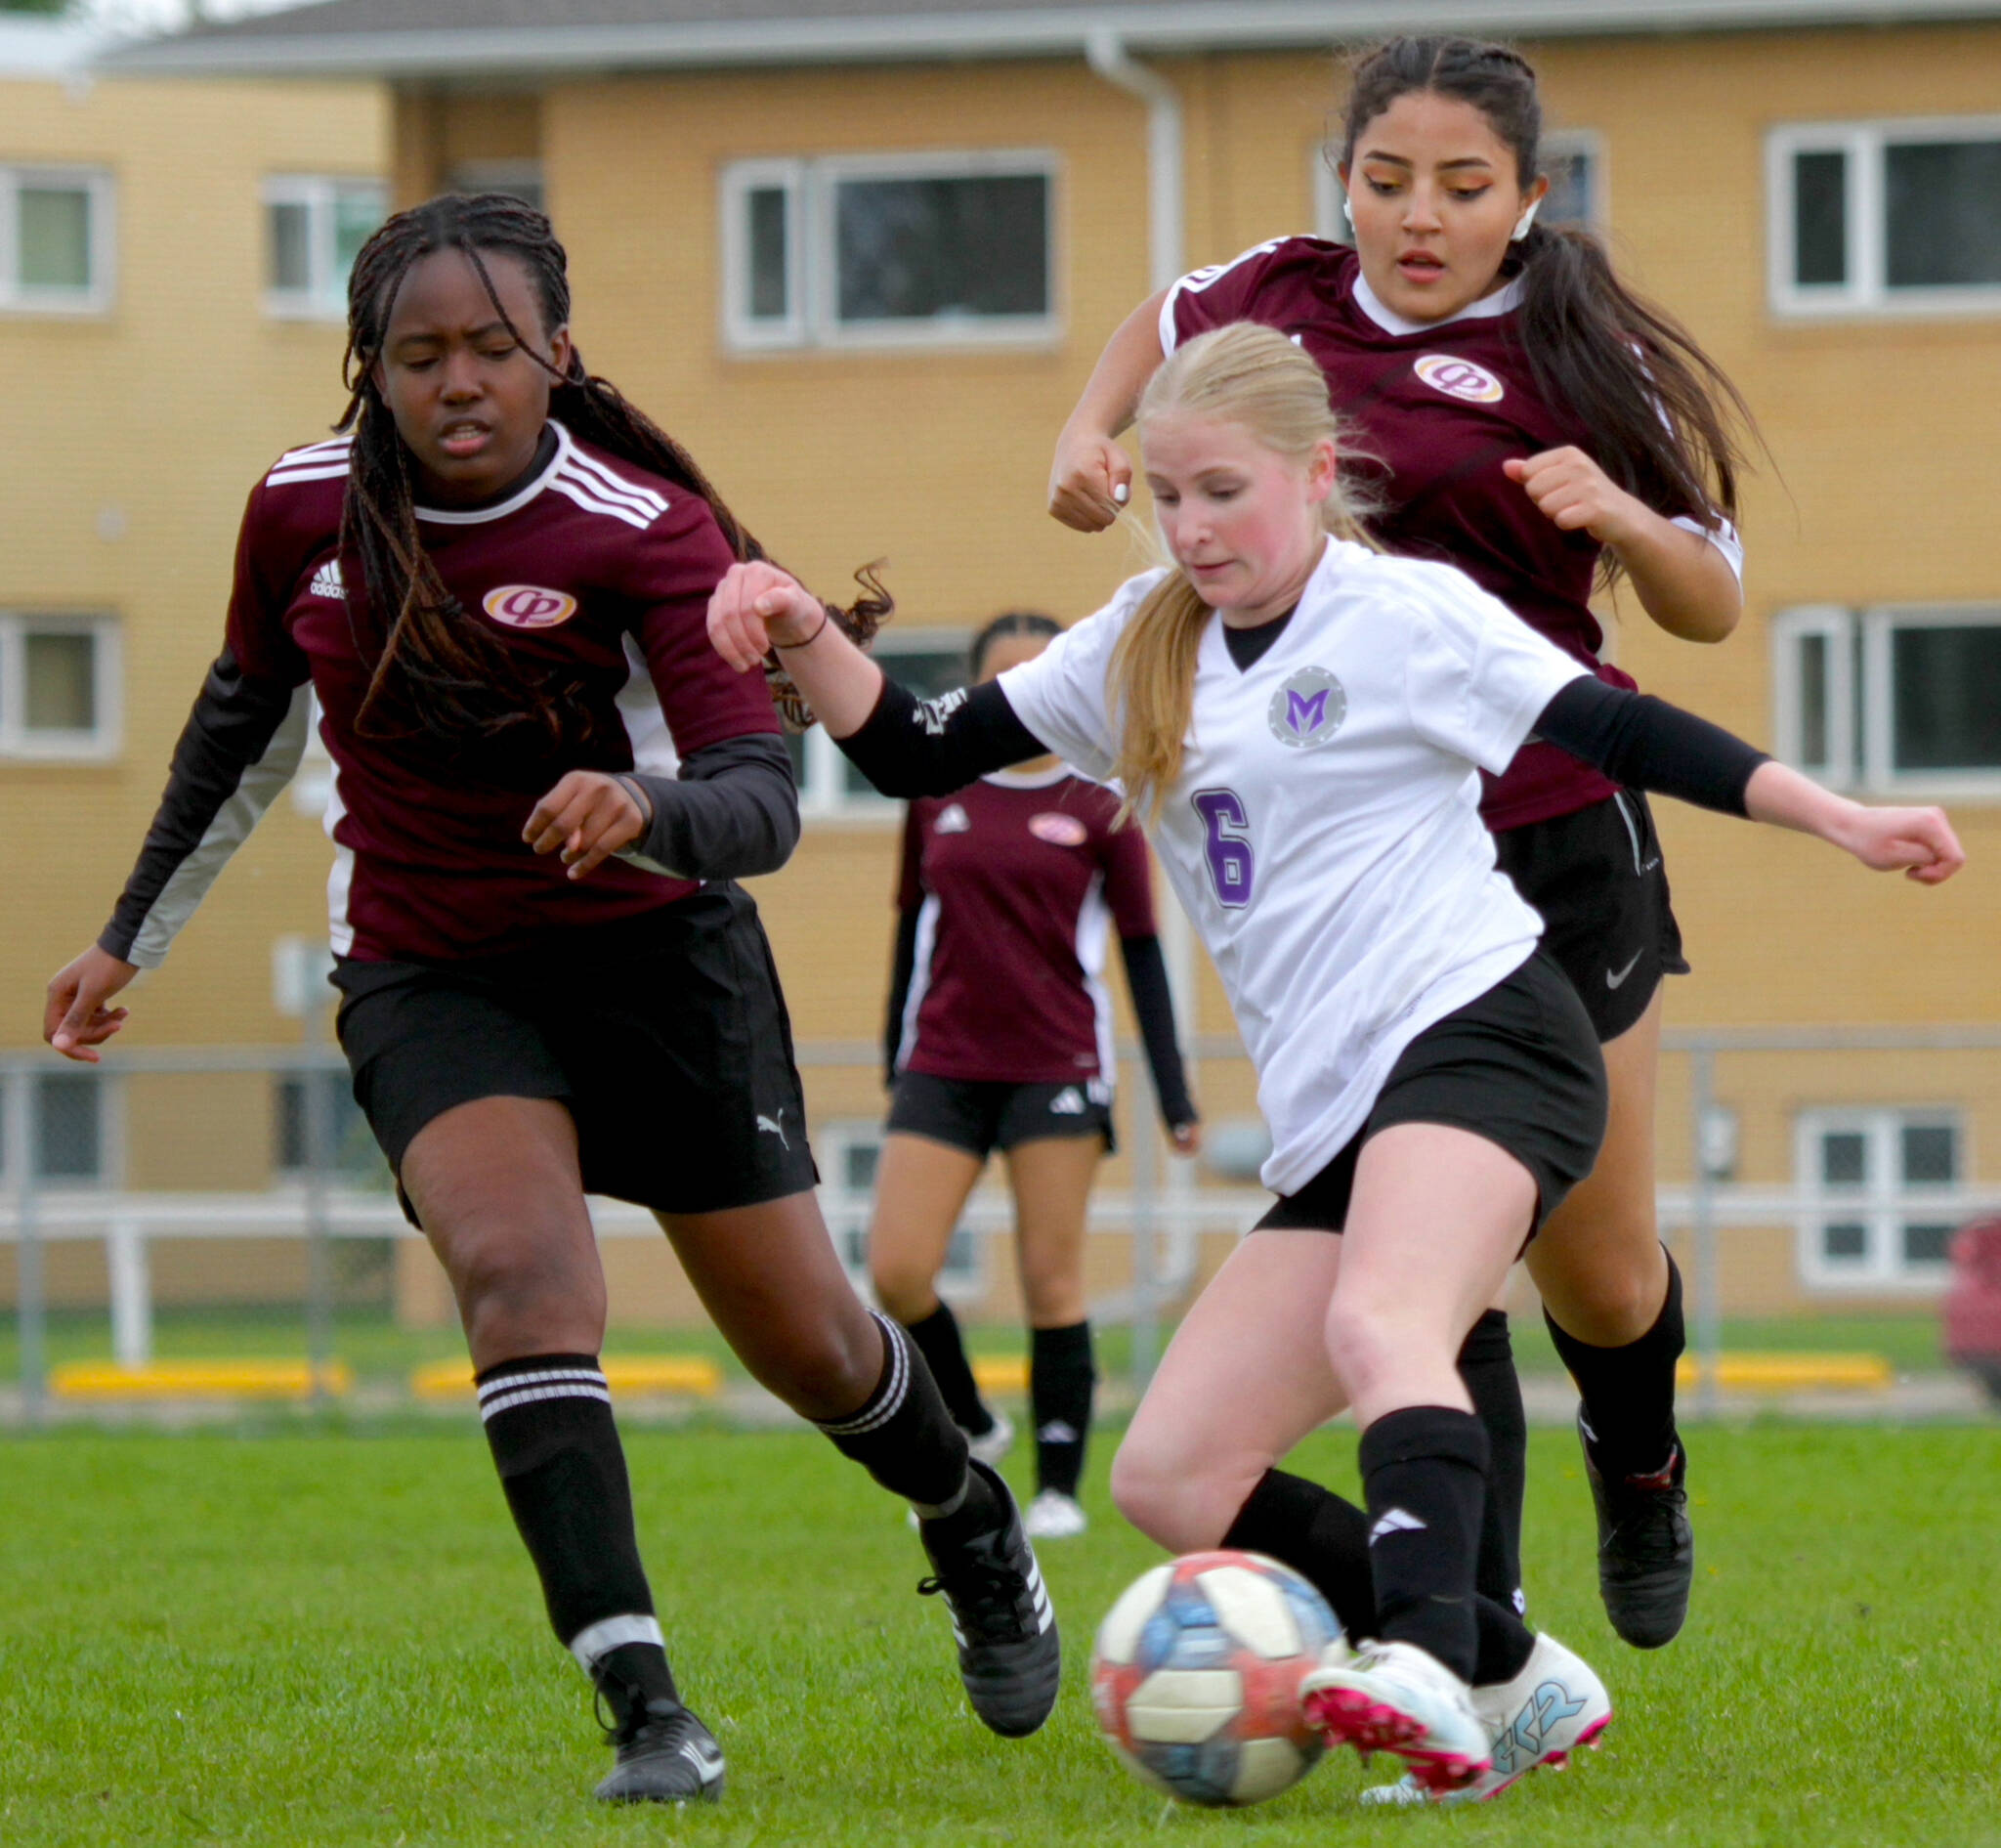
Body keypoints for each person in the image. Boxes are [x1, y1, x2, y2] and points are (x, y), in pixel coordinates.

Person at [707, 322, 1961, 1794]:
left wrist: (1843, 817)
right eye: (1167, 496)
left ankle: (1424, 1675)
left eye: (1224, 491)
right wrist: (802, 626)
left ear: (1316, 475)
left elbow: (1620, 723)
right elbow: (919, 746)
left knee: (1388, 1326)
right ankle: (1505, 1664)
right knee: (1167, 1474)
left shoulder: (1401, 614)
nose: (1192, 527)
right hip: (1336, 1112)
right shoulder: (1134, 640)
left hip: (1487, 1028)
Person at [40, 193, 1059, 1808]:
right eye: (421, 353)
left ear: (556, 357)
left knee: (812, 1350)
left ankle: (967, 1513)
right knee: (518, 1277)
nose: (460, 382)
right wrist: (129, 937)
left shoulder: (643, 530)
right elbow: (240, 716)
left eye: (494, 351)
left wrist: (640, 809)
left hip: (658, 962)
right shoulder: (299, 511)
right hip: (430, 966)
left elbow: (758, 797)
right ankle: (646, 1706)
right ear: (366, 370)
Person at [1047, 33, 1760, 1655]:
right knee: (1431, 1259)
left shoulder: (1580, 350)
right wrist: (1081, 448)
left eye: (1459, 186)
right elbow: (1146, 332)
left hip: (1553, 845)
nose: (1416, 216)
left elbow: (1707, 599)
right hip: (1353, 868)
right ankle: (1471, 1632)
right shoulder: (1276, 295)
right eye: (1383, 181)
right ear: (1340, 180)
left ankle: (1635, 1459)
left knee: (1592, 1266)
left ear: (1528, 194)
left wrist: (1623, 518)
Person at [873, 611, 1201, 1540]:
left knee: (1050, 1280)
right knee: (897, 1272)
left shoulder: (1103, 803)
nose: (1018, 693)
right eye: (999, 677)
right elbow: (911, 927)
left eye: (1038, 673)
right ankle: (972, 1423)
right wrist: (892, 1052)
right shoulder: (936, 792)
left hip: (1055, 1066)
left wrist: (1176, 1096)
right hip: (941, 1060)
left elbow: (1142, 955)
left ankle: (1058, 1487)